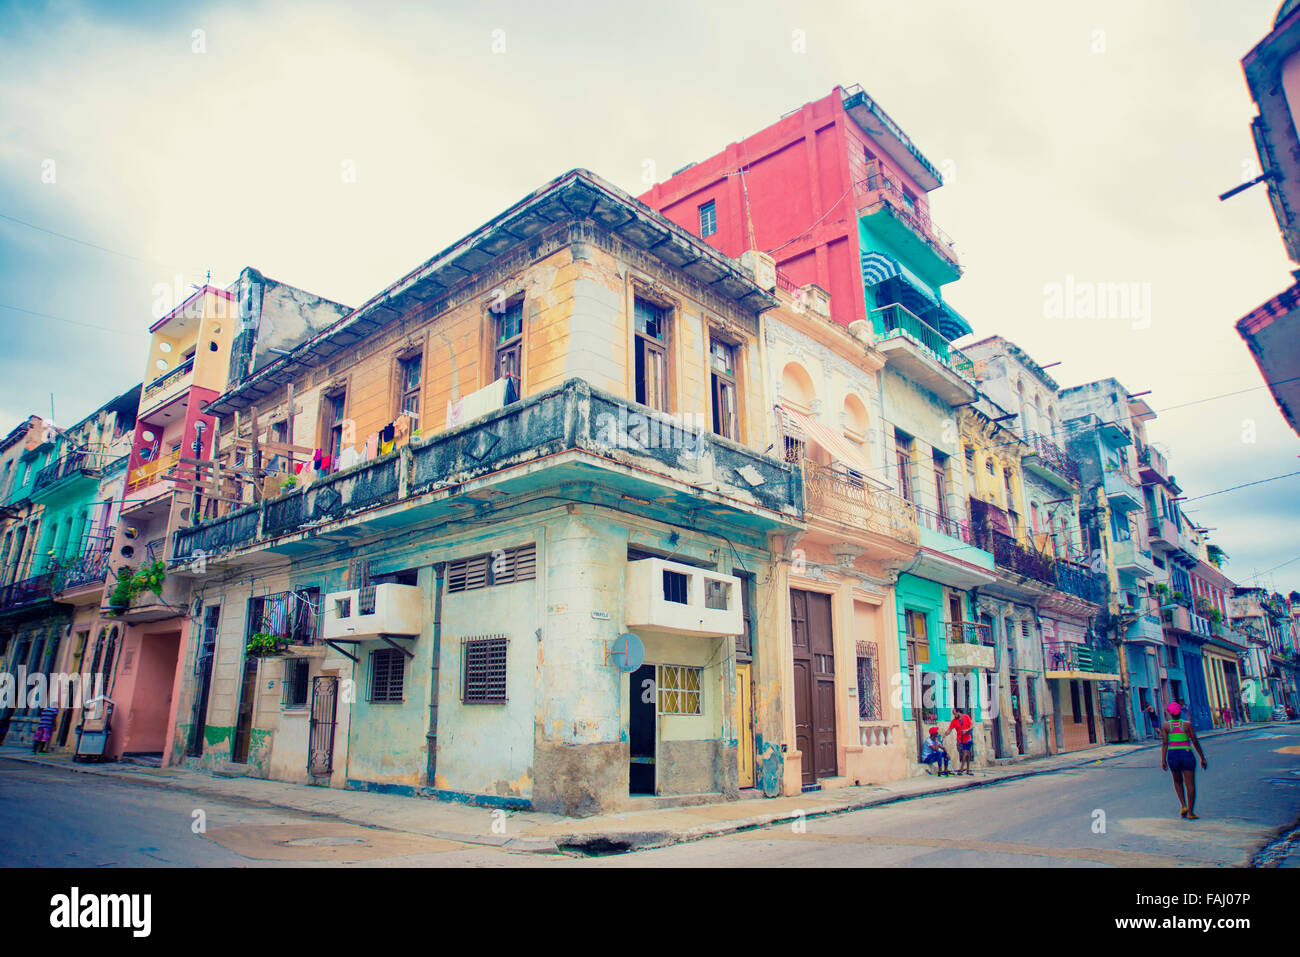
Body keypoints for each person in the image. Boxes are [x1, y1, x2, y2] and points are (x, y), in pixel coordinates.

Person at [1161, 701, 1207, 819]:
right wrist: (1202, 757)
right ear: (1180, 713)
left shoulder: (1166, 726)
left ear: (1169, 713)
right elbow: (1195, 741)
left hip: (1172, 755)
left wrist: (1163, 760)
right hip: (1186, 754)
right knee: (1190, 784)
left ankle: (1183, 805)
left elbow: (1165, 743)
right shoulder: (1187, 725)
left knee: (1177, 781)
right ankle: (1191, 812)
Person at [946, 708, 975, 776]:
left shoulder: (966, 717)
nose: (954, 715)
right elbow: (949, 729)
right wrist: (945, 734)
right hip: (960, 740)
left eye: (955, 713)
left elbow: (971, 726)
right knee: (964, 754)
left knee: (967, 754)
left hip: (967, 738)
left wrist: (966, 730)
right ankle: (964, 769)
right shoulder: (954, 721)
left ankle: (964, 769)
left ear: (958, 712)